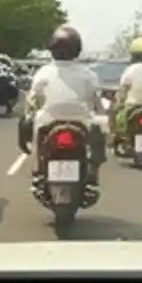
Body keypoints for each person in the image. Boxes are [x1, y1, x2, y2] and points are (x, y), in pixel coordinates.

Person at [24, 25, 105, 185]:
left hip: (48, 121)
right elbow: (96, 100)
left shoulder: (43, 72)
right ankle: (93, 170)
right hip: (82, 121)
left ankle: (38, 165)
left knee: (34, 124)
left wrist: (30, 112)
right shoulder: (88, 74)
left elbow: (33, 99)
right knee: (100, 128)